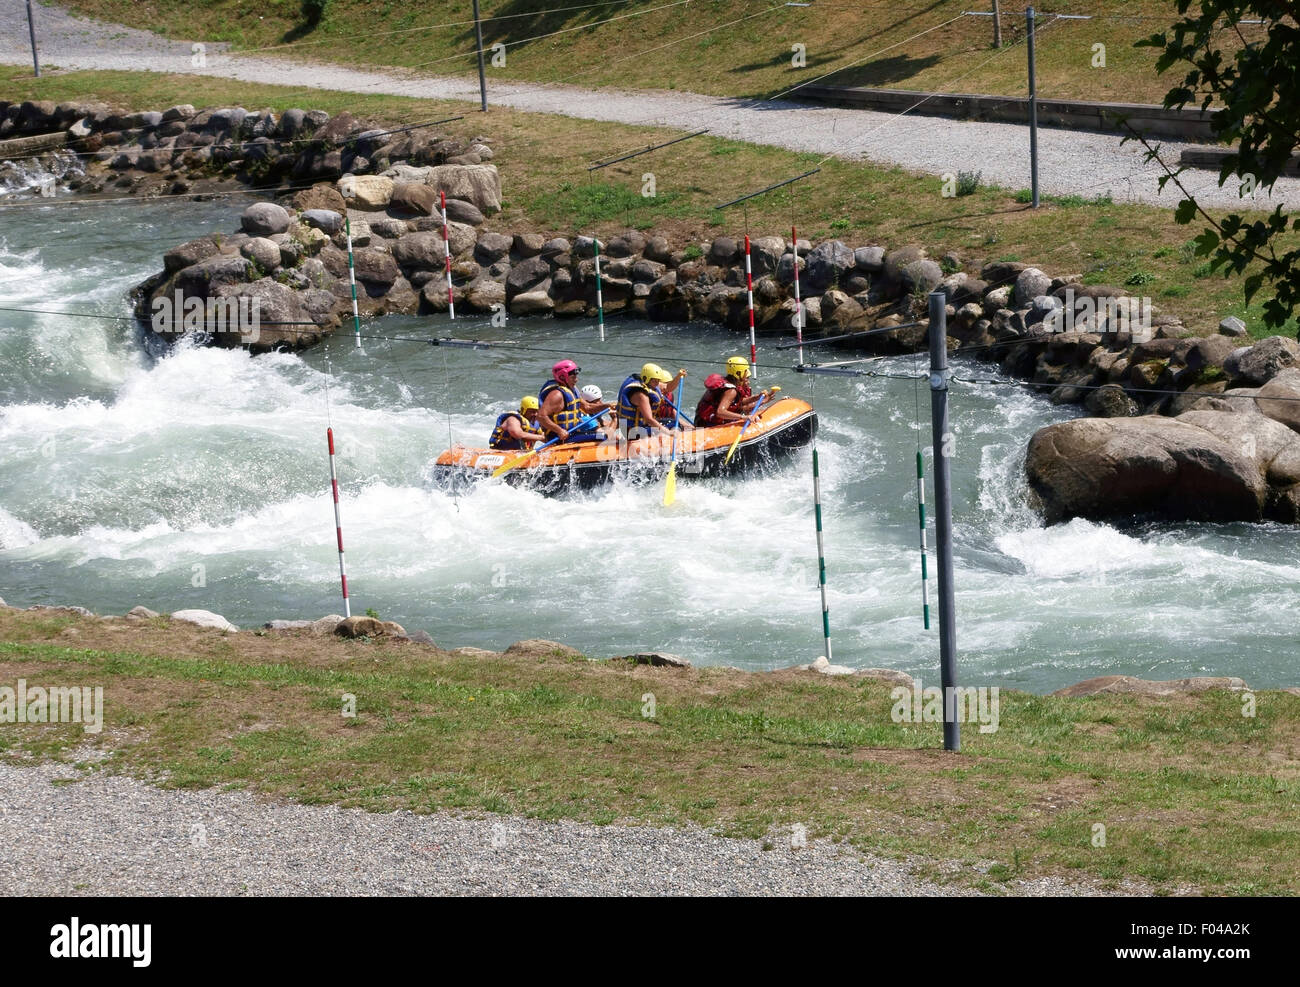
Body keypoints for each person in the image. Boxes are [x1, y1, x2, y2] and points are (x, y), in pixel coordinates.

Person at [538, 359, 604, 443]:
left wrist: (608, 405)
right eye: (573, 377)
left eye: (576, 377)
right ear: (562, 377)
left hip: (573, 433)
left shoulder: (573, 391)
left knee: (603, 434)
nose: (576, 380)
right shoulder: (556, 394)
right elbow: (541, 417)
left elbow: (588, 407)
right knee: (603, 436)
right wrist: (559, 431)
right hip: (558, 437)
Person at [616, 363, 684, 439]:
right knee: (673, 425)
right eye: (654, 380)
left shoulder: (650, 384)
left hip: (639, 425)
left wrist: (678, 376)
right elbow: (649, 419)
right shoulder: (641, 395)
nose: (657, 383)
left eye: (658, 380)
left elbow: (668, 388)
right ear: (646, 378)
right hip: (633, 431)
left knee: (674, 423)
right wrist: (668, 432)